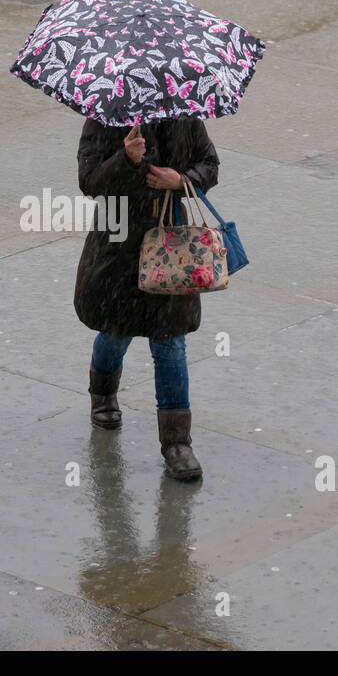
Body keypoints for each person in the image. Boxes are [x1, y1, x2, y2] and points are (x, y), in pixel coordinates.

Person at [73, 116, 220, 481]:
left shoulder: (185, 116)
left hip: (169, 240)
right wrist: (126, 158)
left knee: (170, 343)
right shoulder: (106, 117)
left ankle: (176, 443)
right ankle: (103, 392)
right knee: (115, 331)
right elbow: (89, 181)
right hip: (118, 243)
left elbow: (209, 164)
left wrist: (182, 180)